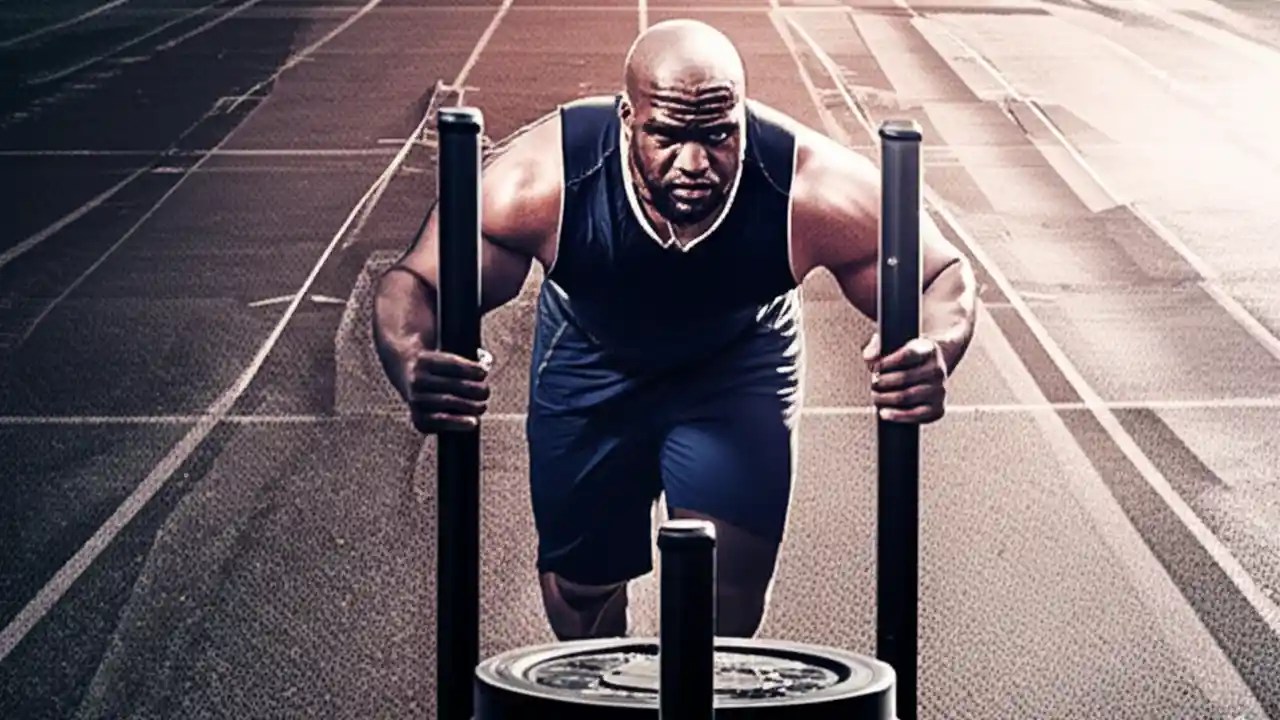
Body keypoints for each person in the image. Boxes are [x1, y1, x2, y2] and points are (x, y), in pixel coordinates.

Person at [373, 18, 977, 641]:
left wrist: (937, 347)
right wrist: (412, 358)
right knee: (580, 592)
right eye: (666, 135)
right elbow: (416, 282)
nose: (694, 164)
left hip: (737, 368)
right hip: (592, 360)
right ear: (627, 118)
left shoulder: (805, 187)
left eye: (717, 136)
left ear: (742, 120)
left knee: (726, 600)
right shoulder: (543, 181)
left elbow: (941, 273)